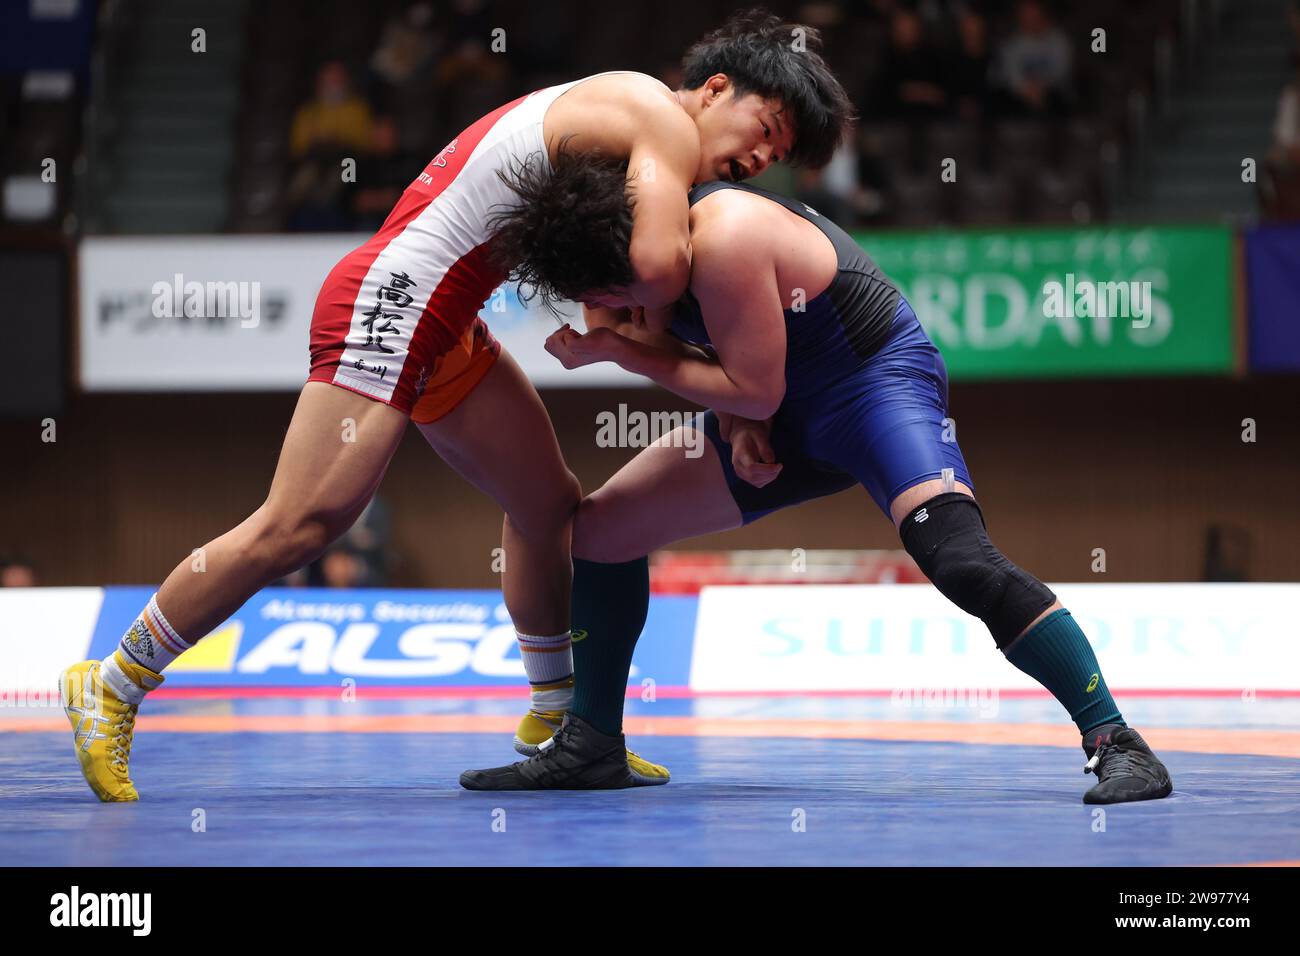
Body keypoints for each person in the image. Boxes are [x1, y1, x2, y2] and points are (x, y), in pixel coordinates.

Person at [59, 9, 855, 802]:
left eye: (777, 156)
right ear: (715, 88)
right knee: (303, 523)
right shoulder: (658, 117)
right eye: (766, 127)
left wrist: (731, 397)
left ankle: (554, 719)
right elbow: (650, 268)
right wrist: (709, 288)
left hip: (445, 325)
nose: (758, 158)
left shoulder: (630, 142)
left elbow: (616, 305)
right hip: (393, 306)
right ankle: (116, 679)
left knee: (547, 506)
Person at [458, 159, 1173, 805]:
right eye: (600, 301)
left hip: (870, 387)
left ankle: (1116, 740)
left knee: (957, 557)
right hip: (771, 404)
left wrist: (631, 358)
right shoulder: (615, 274)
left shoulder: (725, 230)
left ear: (640, 244)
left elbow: (749, 382)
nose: (618, 311)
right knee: (602, 532)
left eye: (620, 293)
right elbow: (721, 366)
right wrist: (734, 424)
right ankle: (591, 745)